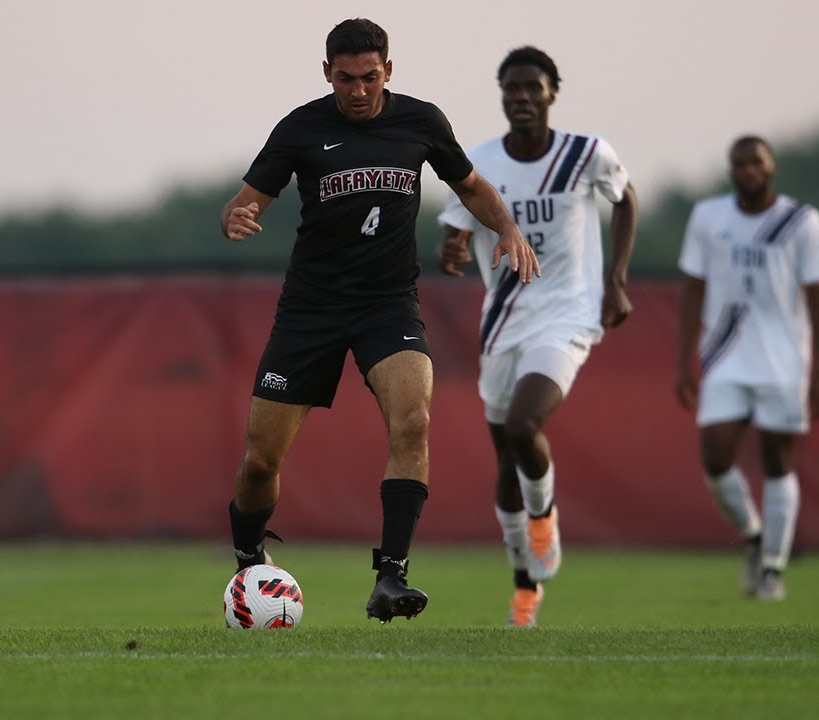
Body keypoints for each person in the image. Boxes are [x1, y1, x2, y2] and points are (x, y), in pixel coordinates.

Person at [221, 18, 538, 623]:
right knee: (261, 461)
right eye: (346, 79)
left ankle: (391, 577)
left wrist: (508, 227)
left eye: (370, 77)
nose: (359, 91)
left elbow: (469, 185)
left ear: (388, 71)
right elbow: (245, 202)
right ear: (327, 74)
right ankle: (247, 553)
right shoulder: (301, 127)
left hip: (388, 304)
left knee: (414, 419)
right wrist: (235, 219)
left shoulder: (421, 121)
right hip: (310, 309)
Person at [437, 46, 638, 627]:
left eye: (533, 88)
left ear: (553, 92)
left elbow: (626, 199)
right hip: (503, 322)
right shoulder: (474, 164)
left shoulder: (586, 154)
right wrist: (450, 248)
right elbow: (452, 233)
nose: (521, 98)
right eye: (512, 89)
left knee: (526, 425)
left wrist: (616, 279)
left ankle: (544, 513)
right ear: (501, 95)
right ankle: (525, 586)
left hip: (568, 313)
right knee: (506, 454)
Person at [675, 135, 819, 601]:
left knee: (777, 462)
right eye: (739, 163)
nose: (747, 169)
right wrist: (683, 361)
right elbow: (691, 289)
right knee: (715, 458)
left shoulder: (800, 221)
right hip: (724, 355)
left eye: (756, 162)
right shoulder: (708, 217)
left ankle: (771, 569)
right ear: (731, 170)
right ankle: (752, 534)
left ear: (771, 167)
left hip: (784, 358)